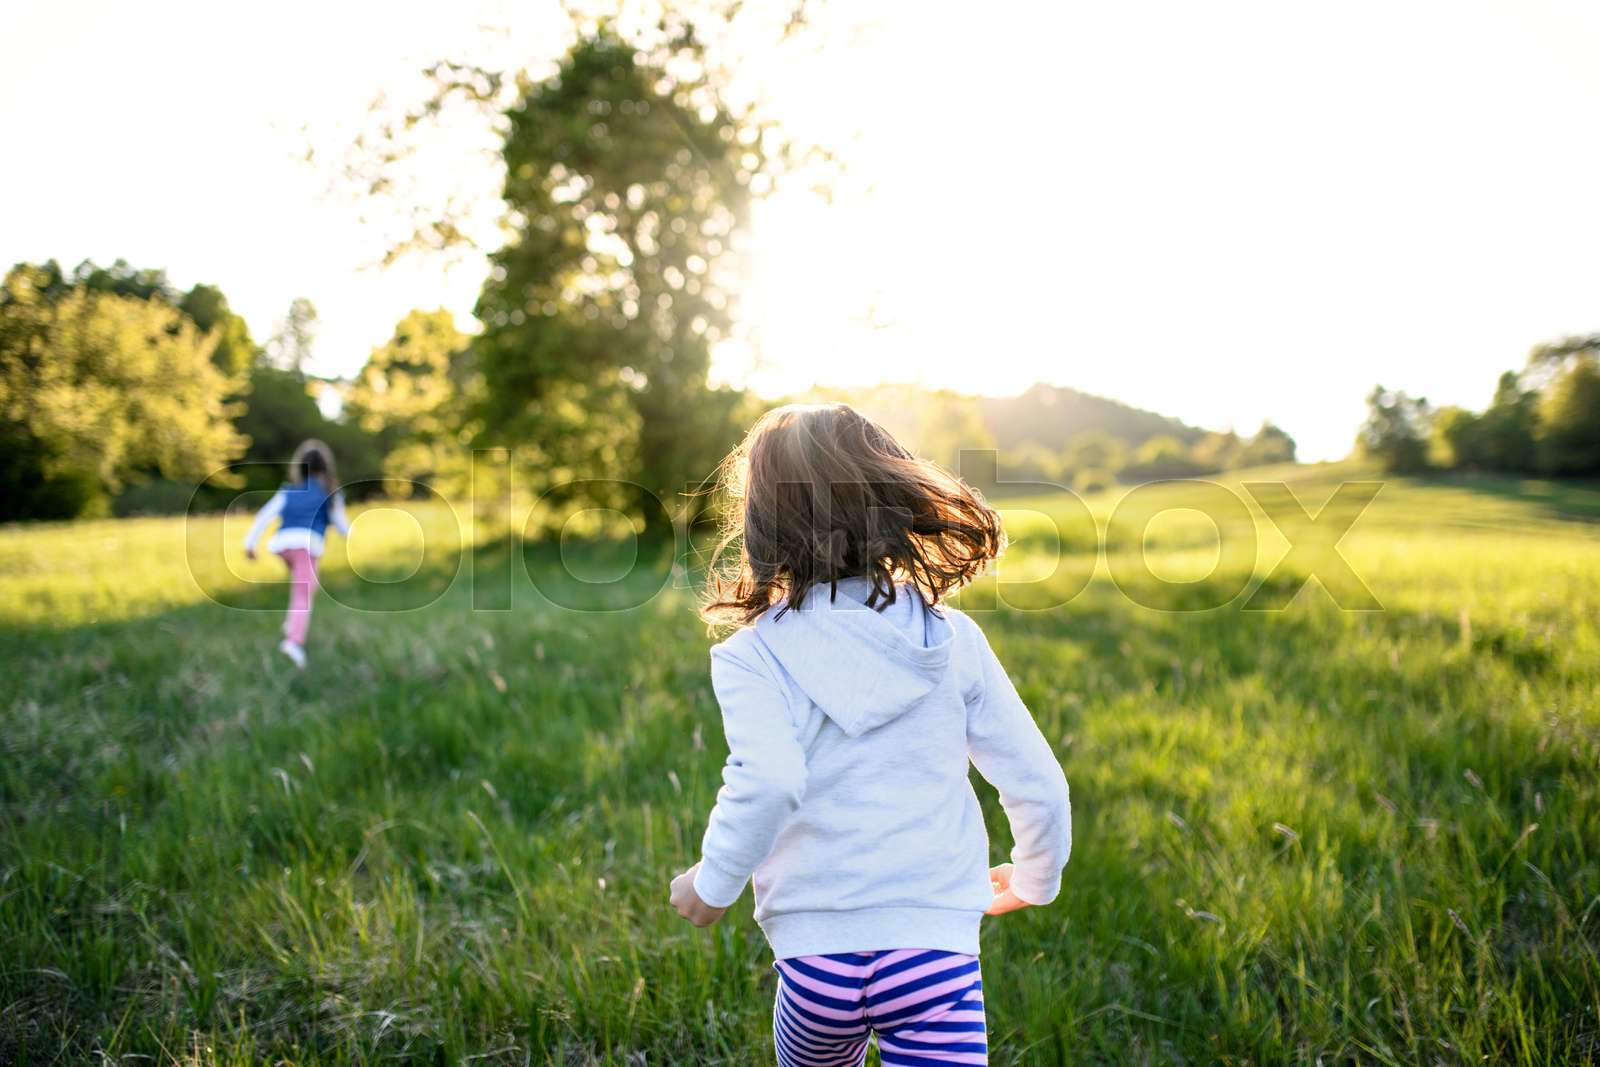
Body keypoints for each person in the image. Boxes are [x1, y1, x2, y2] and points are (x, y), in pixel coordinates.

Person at [669, 403, 1072, 1066]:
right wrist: (1034, 877)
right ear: (891, 502)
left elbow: (767, 780)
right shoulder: (949, 639)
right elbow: (1039, 783)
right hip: (931, 957)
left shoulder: (754, 654)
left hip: (813, 962)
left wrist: (713, 884)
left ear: (762, 523)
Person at [243, 439, 351, 669]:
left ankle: (292, 625)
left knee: (307, 587)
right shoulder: (330, 493)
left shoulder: (289, 492)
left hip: (284, 546)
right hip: (306, 545)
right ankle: (293, 643)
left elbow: (264, 516)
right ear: (326, 466)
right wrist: (346, 531)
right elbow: (343, 526)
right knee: (303, 596)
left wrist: (250, 544)